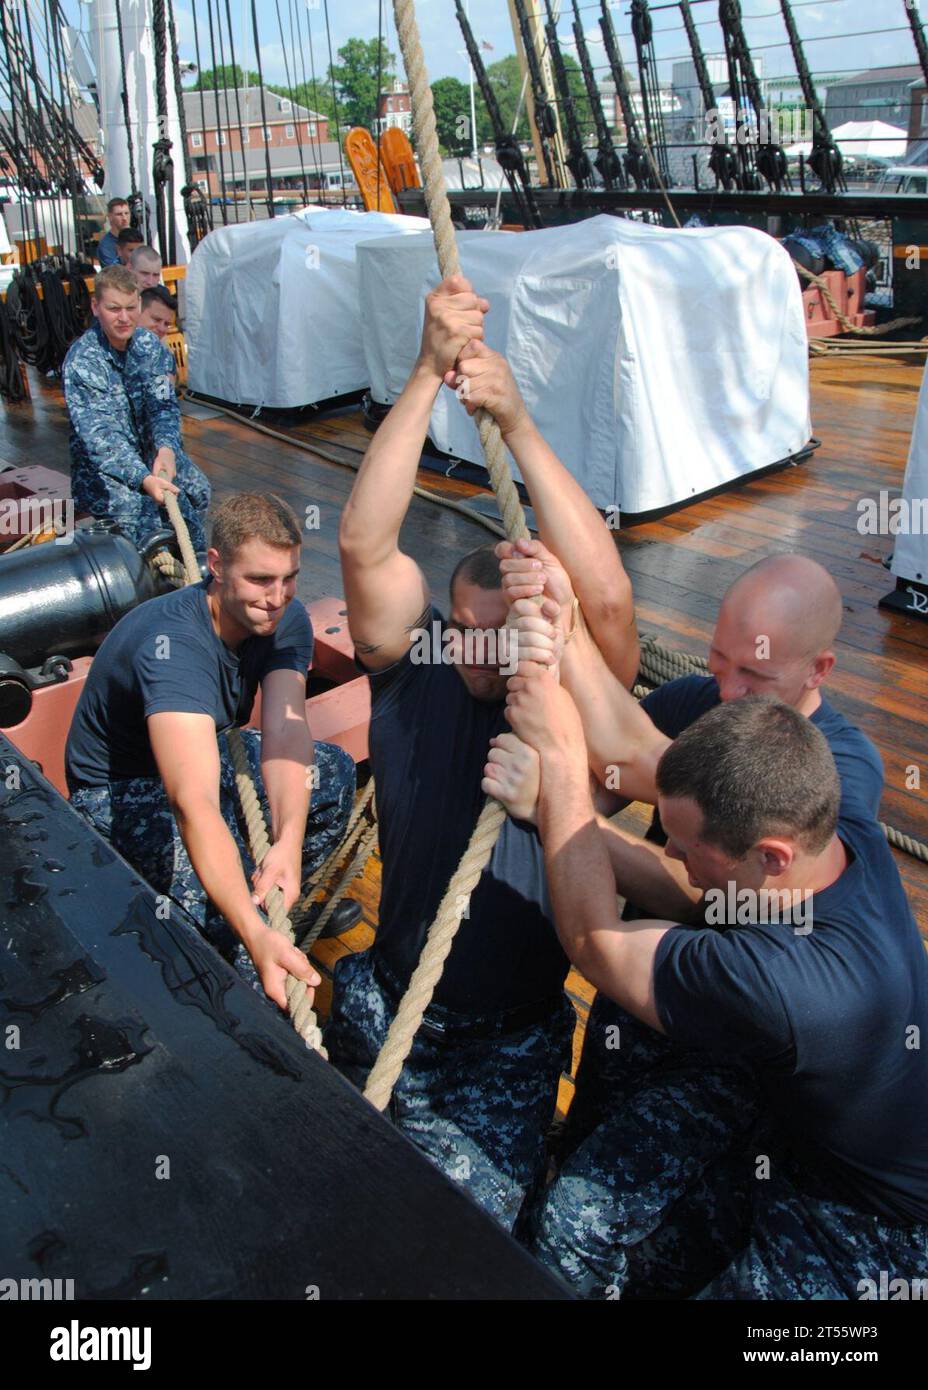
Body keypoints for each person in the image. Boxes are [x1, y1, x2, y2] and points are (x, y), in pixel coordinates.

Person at [329, 274, 637, 1229]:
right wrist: (426, 374)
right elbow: (362, 545)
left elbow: (611, 602)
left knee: (464, 1238)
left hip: (503, 1045)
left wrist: (521, 423)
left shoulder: (568, 712)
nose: (481, 650)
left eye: (506, 632)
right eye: (464, 628)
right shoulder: (418, 673)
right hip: (391, 997)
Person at [490, 685, 928, 1298]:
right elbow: (638, 746)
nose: (670, 853)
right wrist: (563, 627)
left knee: (589, 1232)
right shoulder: (840, 830)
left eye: (688, 845)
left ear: (771, 856)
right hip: (800, 1126)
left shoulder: (785, 983)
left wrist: (561, 771)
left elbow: (597, 944)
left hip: (870, 1229)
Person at [65, 492, 357, 1006]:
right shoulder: (174, 647)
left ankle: (279, 898)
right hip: (119, 788)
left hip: (196, 752)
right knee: (237, 922)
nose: (278, 595)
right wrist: (252, 928)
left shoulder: (283, 617)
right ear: (216, 566)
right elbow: (192, 803)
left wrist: (288, 842)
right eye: (260, 580)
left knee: (330, 774)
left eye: (289, 578)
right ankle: (245, 957)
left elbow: (288, 733)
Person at [63, 265, 209, 553]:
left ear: (139, 304)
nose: (124, 318)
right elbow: (103, 440)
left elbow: (162, 406)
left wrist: (166, 448)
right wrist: (143, 479)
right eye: (114, 309)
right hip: (107, 478)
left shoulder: (150, 348)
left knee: (197, 498)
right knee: (149, 534)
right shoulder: (83, 362)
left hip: (153, 461)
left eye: (131, 308)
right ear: (96, 307)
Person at [97, 197, 131, 267]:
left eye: (126, 213)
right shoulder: (106, 246)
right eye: (119, 214)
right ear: (110, 217)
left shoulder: (135, 239)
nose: (124, 218)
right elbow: (115, 273)